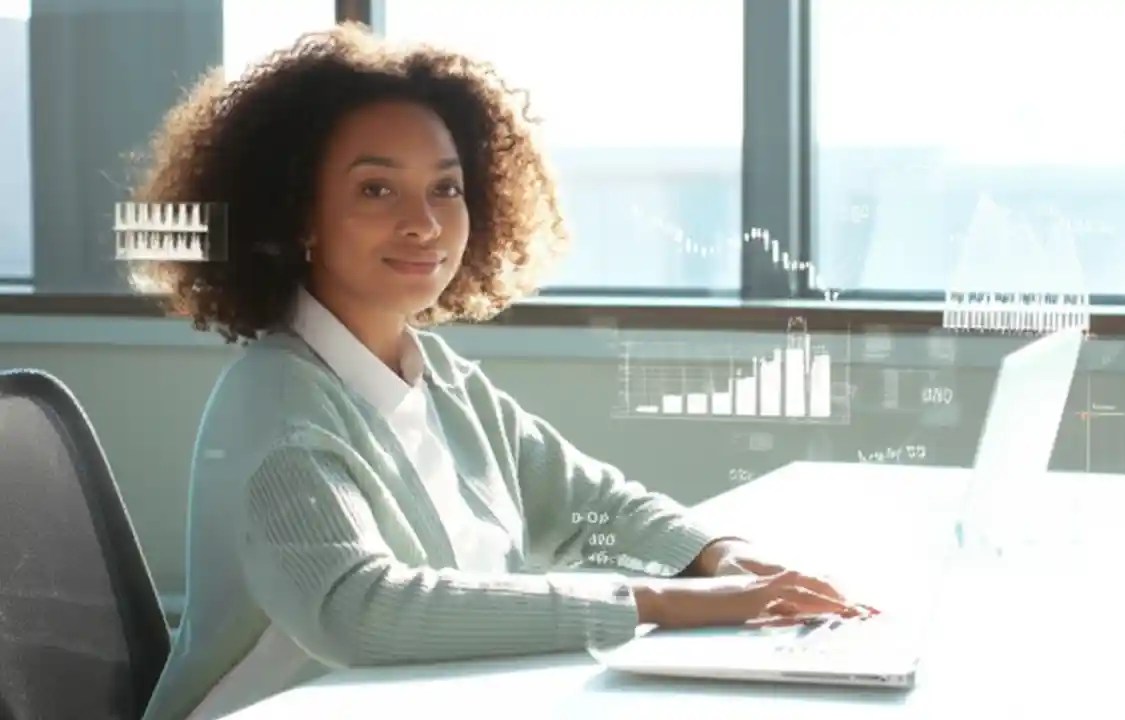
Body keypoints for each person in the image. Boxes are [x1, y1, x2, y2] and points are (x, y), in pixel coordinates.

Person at [130, 23, 873, 720]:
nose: (424, 222)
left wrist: (719, 558)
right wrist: (660, 604)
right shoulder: (278, 403)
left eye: (446, 187)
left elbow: (591, 503)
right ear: (297, 215)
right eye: (376, 189)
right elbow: (363, 610)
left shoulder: (437, 375)